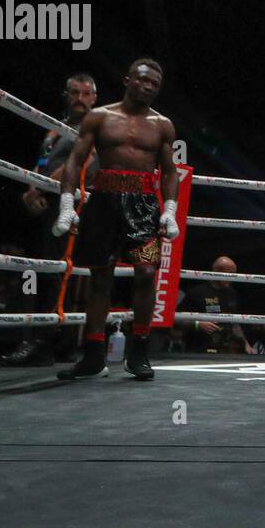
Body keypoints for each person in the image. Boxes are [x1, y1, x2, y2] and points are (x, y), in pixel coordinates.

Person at [52, 59, 180, 382]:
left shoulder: (163, 124)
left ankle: (139, 352)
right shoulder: (100, 116)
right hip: (104, 202)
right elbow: (75, 160)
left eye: (155, 83)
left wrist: (169, 210)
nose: (149, 86)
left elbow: (169, 171)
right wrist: (67, 204)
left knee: (146, 272)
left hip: (143, 207)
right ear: (127, 80)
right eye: (143, 80)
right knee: (100, 276)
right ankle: (94, 355)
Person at [0, 73, 98, 367]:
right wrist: (30, 191)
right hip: (49, 201)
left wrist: (39, 186)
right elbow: (44, 162)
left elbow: (82, 161)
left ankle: (45, 342)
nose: (80, 98)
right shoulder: (55, 130)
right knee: (46, 270)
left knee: (57, 273)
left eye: (86, 93)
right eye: (75, 92)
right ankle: (58, 343)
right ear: (66, 95)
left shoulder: (92, 126)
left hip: (72, 202)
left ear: (94, 99)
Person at [179, 256, 255, 354]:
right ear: (216, 271)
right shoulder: (198, 292)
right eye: (228, 274)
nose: (231, 278)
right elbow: (177, 318)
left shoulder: (232, 293)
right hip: (199, 348)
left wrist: (245, 344)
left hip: (225, 349)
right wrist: (197, 324)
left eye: (233, 275)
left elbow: (234, 322)